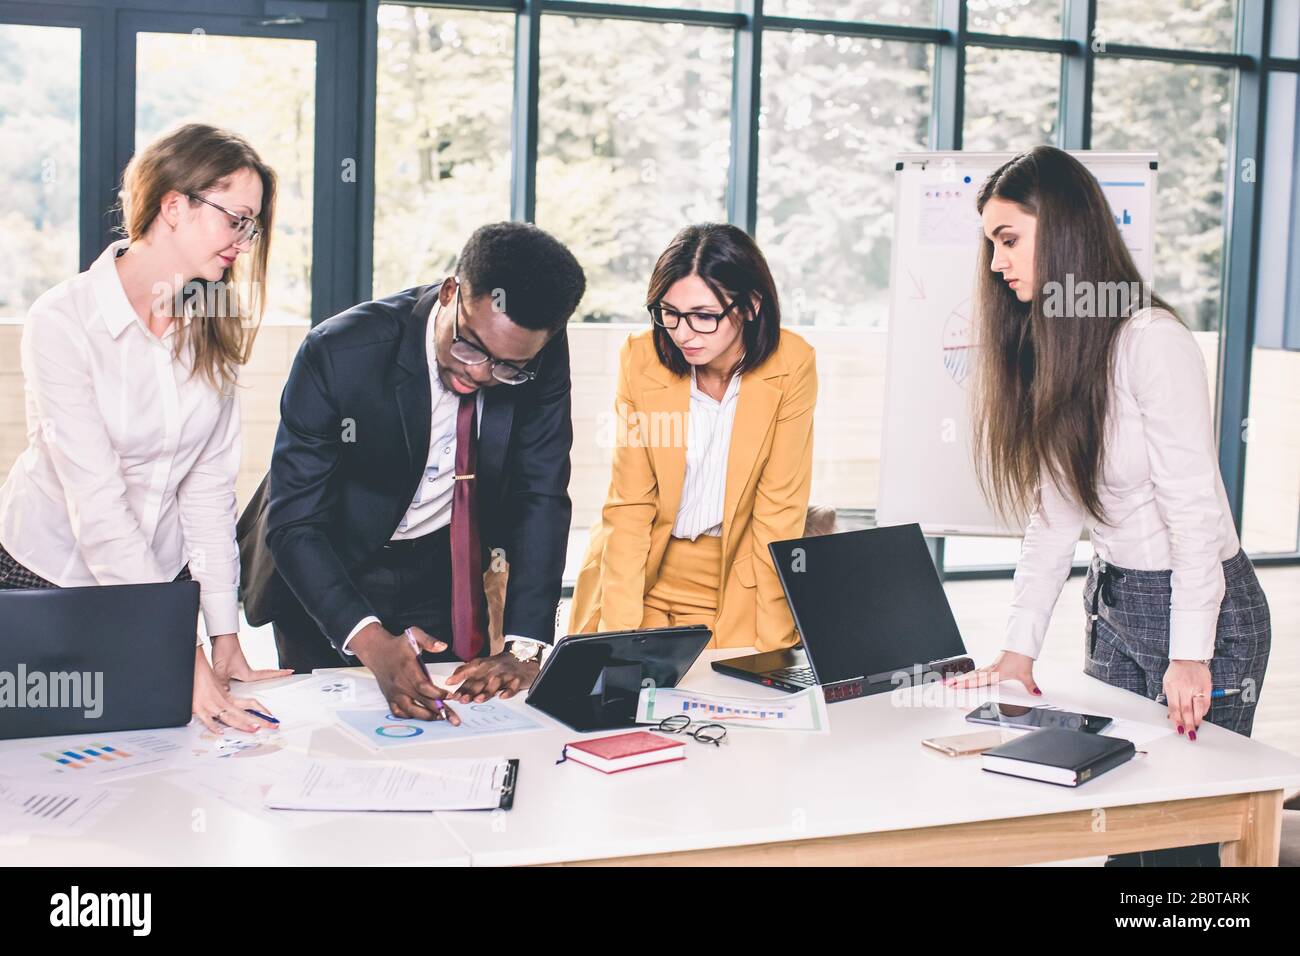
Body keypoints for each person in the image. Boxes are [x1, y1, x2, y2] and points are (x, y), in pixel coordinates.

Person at [946, 145, 1271, 866]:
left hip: (1204, 611)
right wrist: (1017, 652)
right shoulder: (1057, 347)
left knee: (1179, 842)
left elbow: (1194, 512)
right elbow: (1054, 519)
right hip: (1115, 605)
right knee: (1122, 829)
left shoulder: (1151, 342)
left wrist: (1190, 655)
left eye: (1009, 239)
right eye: (992, 244)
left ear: (1063, 229)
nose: (997, 263)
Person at [0, 123, 287, 733]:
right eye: (235, 219)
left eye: (253, 226)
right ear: (173, 206)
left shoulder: (213, 322)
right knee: (42, 759)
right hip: (47, 578)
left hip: (159, 581)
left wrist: (224, 636)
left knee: (159, 760)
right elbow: (97, 504)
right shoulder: (63, 319)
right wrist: (176, 649)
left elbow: (207, 493)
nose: (244, 241)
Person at [239, 222, 585, 722]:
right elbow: (296, 523)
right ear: (449, 294)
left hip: (439, 568)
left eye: (506, 368)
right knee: (330, 736)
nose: (478, 374)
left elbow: (541, 494)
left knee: (444, 728)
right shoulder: (340, 352)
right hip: (329, 568)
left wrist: (525, 647)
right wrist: (369, 640)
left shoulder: (535, 349)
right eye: (469, 346)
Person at [570, 223, 817, 651]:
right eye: (669, 313)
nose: (683, 333)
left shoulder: (792, 364)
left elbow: (778, 513)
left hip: (735, 583)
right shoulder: (641, 358)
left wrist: (775, 649)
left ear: (750, 306)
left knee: (731, 687)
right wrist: (616, 635)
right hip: (640, 575)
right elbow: (630, 505)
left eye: (704, 316)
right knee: (620, 683)